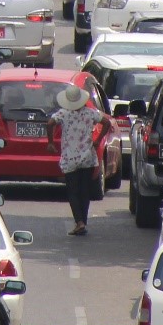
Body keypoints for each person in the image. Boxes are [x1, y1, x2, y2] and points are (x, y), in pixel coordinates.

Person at [52, 84, 106, 236]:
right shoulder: (90, 113)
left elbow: (50, 123)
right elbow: (106, 123)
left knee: (73, 191)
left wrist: (50, 141)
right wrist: (98, 140)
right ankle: (83, 221)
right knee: (85, 191)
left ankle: (79, 222)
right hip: (87, 156)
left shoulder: (63, 114)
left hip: (70, 157)